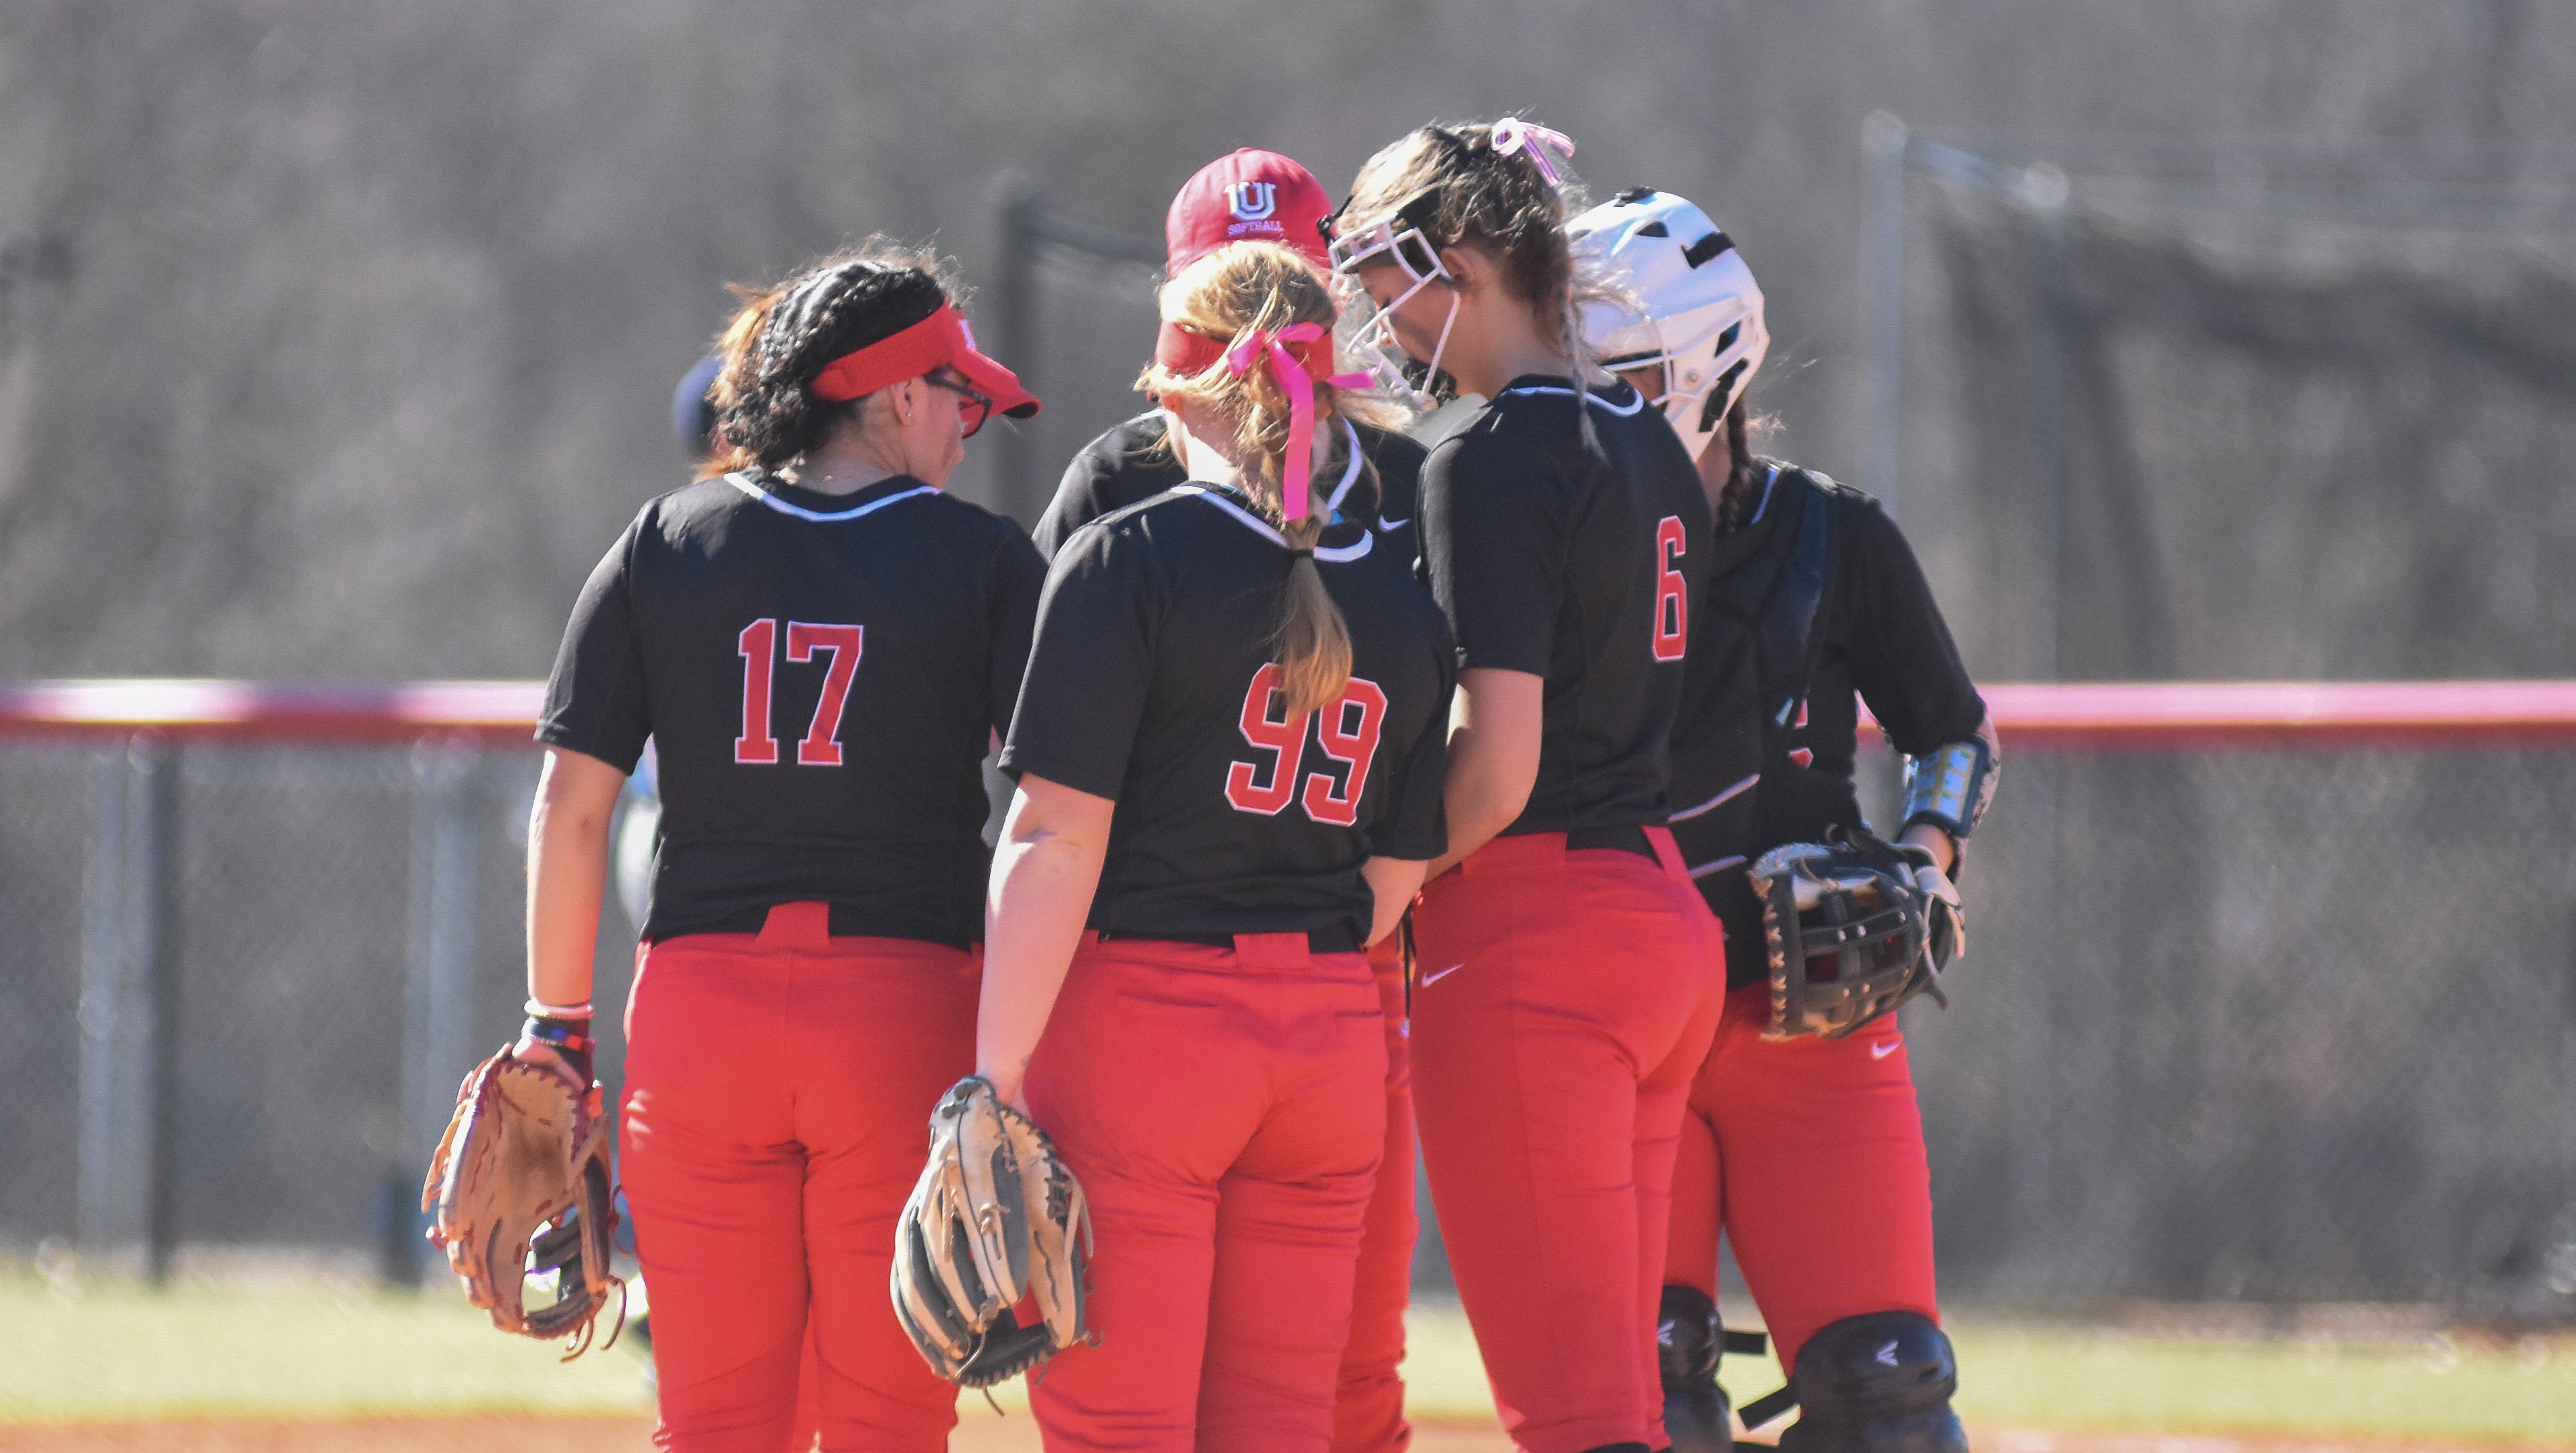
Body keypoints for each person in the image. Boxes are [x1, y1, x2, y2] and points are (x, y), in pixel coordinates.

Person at [522, 241, 1045, 1452]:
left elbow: (572, 806)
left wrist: (556, 1029)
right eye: (958, 397)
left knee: (712, 1425)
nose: (968, 425)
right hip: (901, 1016)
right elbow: (1056, 818)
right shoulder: (985, 562)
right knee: (886, 1425)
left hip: (702, 1021)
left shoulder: (666, 538)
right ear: (899, 396)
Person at [979, 241, 1456, 1453]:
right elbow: (1393, 886)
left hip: (1148, 1023)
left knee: (1118, 1430)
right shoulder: (1400, 598)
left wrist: (990, 1080)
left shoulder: (1130, 557)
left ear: (1183, 393)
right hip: (1327, 1041)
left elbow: (1051, 839)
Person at [1569, 187, 1998, 1452]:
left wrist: (1924, 862)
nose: (1589, 410)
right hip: (1618, 1025)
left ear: (1708, 371)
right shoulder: (1527, 538)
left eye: (1625, 376)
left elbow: (1952, 730)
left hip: (1798, 1017)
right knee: (1651, 1403)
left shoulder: (1831, 533)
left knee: (1892, 1398)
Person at [1330, 121, 1724, 1453]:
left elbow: (1497, 766)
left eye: (1386, 281)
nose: (1377, 321)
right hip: (1659, 919)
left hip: (1533, 934)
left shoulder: (1482, 455)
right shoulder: (1654, 440)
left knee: (1574, 1418)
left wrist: (1369, 890)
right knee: (1622, 1402)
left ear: (1454, 264)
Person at [1033, 147, 1428, 574]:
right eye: (1227, 292)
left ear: (1337, 294)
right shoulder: (1112, 476)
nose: (1258, 317)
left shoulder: (1406, 478)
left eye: (1291, 286)